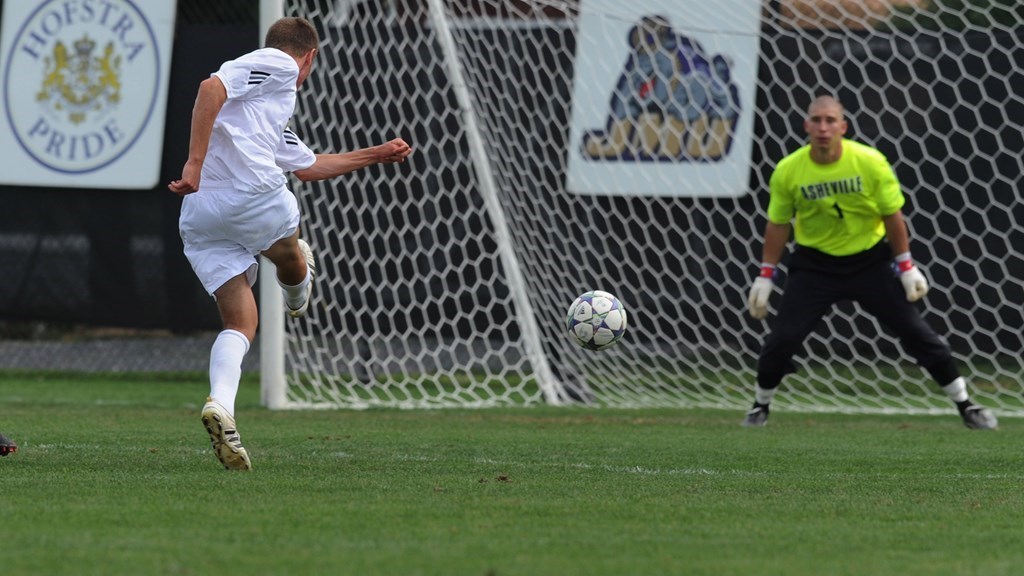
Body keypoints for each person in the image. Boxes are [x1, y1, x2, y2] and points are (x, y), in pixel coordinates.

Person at [169, 17, 413, 470]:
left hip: (202, 216)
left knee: (241, 322)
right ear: (310, 58)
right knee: (289, 254)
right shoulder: (280, 63)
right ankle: (297, 283)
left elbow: (309, 165)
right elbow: (209, 88)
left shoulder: (264, 116)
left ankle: (221, 404)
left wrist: (376, 153)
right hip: (250, 197)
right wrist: (194, 164)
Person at [743, 95, 996, 430]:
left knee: (917, 333)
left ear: (843, 127)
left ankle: (967, 405)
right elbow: (778, 223)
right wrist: (765, 275)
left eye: (830, 120)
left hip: (869, 263)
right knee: (782, 339)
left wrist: (905, 265)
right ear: (805, 126)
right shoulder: (788, 170)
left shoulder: (870, 162)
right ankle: (760, 406)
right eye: (816, 120)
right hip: (815, 265)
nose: (823, 127)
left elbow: (892, 215)